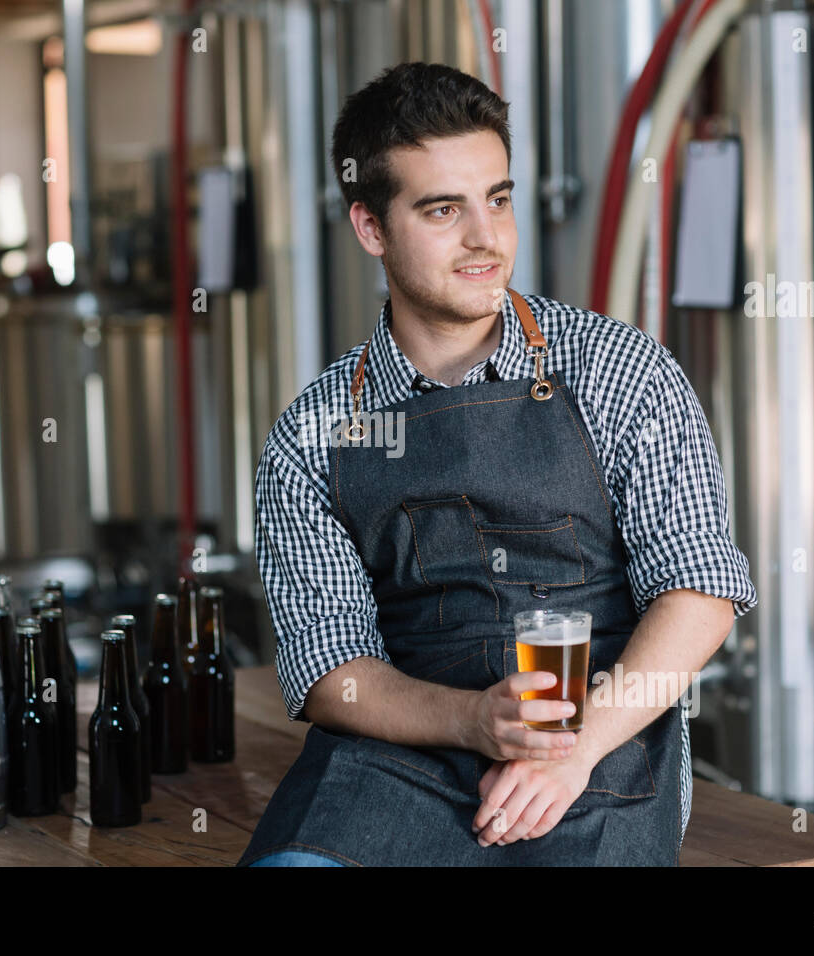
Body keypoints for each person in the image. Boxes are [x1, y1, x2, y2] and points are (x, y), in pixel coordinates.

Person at [239, 62, 757, 867]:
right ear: (371, 228)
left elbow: (702, 595)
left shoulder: (618, 370)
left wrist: (574, 747)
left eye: (500, 199)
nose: (487, 238)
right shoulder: (314, 434)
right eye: (444, 210)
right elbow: (330, 673)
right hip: (399, 754)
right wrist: (473, 719)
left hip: (600, 744)